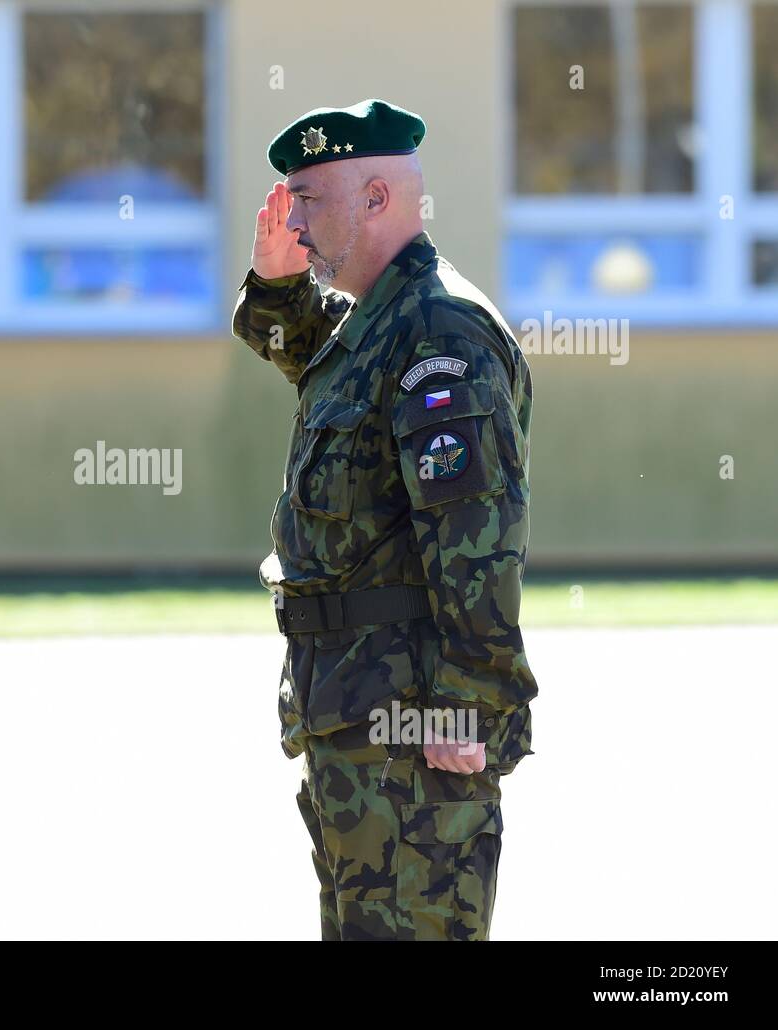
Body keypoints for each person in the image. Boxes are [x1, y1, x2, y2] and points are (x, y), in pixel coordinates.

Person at [231, 99, 539, 940]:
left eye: (310, 200)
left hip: (414, 733)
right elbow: (310, 356)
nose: (294, 220)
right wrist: (276, 284)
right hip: (356, 721)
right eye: (289, 201)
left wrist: (466, 704)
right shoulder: (378, 324)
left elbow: (476, 538)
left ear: (377, 198)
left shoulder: (440, 330)